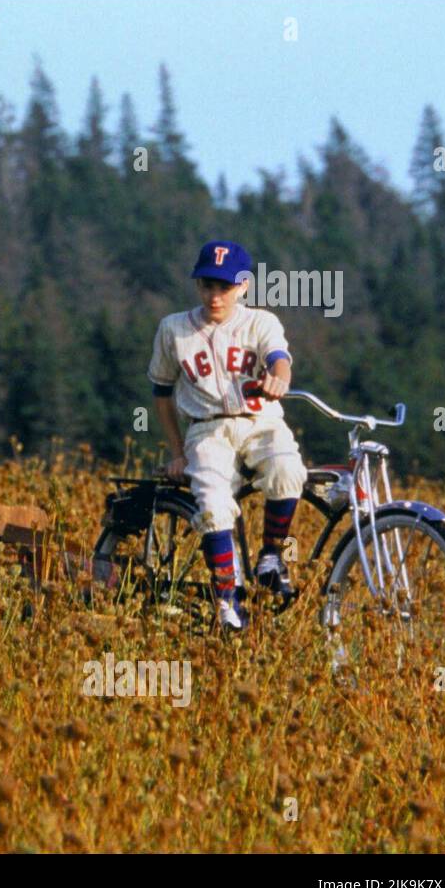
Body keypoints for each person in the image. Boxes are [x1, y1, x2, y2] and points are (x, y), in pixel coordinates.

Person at [147, 241, 307, 630]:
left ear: (243, 286)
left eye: (223, 286)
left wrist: (279, 378)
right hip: (207, 429)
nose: (214, 295)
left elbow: (278, 358)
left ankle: (271, 557)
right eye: (206, 285)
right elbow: (162, 393)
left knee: (288, 470)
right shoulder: (174, 329)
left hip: (260, 420)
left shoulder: (260, 322)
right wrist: (177, 452)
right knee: (213, 506)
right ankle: (227, 600)